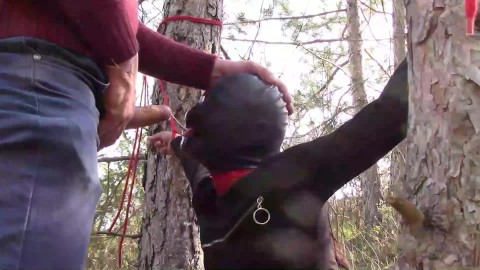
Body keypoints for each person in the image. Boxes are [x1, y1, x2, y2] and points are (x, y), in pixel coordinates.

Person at [0, 1, 293, 270]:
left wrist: (211, 70)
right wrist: (124, 65)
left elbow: (111, 21)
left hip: (34, 82)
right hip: (40, 85)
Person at [148, 58, 409, 269]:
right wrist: (174, 142)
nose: (194, 117)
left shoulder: (290, 176)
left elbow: (387, 118)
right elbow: (193, 160)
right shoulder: (215, 195)